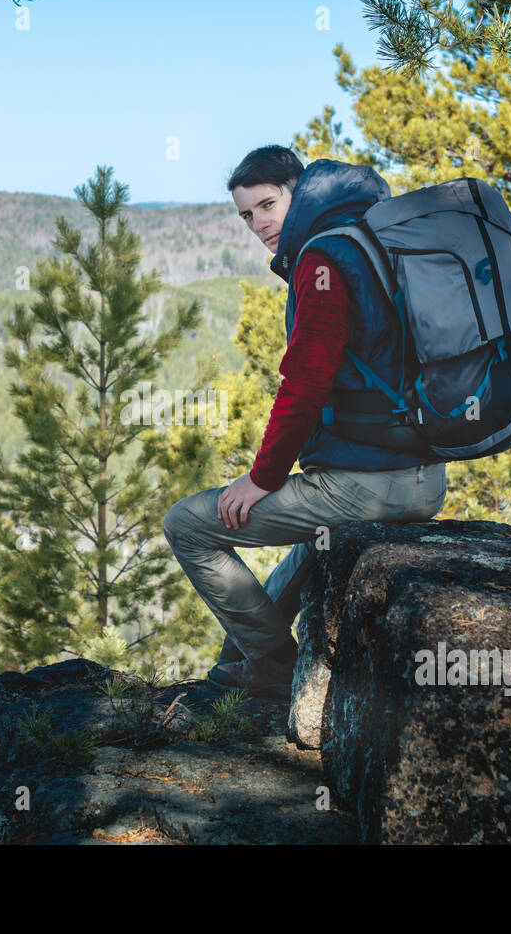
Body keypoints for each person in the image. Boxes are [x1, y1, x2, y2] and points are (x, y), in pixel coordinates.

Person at [161, 145, 448, 698]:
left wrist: (262, 477)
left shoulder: (322, 259)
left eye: (268, 204)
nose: (258, 223)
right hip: (425, 477)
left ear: (301, 190)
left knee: (187, 524)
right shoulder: (371, 239)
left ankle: (271, 663)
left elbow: (307, 381)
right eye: (246, 215)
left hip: (370, 485)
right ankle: (242, 652)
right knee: (315, 540)